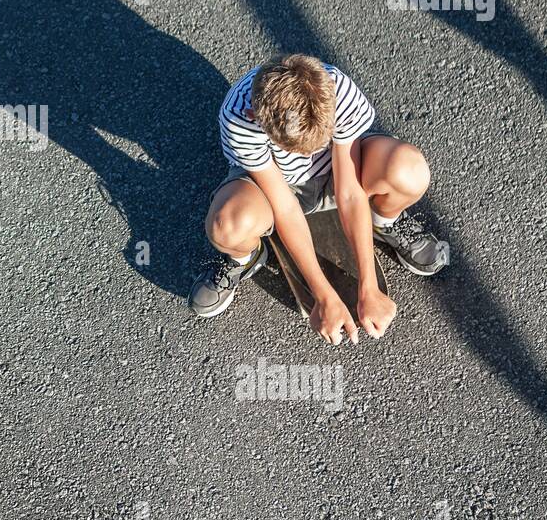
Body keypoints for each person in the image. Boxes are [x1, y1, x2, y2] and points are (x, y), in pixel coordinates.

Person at [189, 53, 449, 343]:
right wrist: (323, 294)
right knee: (227, 225)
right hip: (277, 186)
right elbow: (284, 206)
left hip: (338, 175)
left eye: (316, 145)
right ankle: (244, 256)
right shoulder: (240, 116)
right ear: (256, 117)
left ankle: (383, 220)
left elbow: (349, 191)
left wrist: (369, 286)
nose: (308, 157)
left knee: (409, 169)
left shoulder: (334, 90)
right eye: (299, 150)